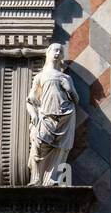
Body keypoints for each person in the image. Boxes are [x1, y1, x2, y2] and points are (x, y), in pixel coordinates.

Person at [26, 43, 77, 185]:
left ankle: (52, 180)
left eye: (60, 51)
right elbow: (30, 100)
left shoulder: (66, 78)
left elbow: (76, 99)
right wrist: (34, 115)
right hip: (45, 116)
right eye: (55, 50)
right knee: (38, 146)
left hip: (65, 115)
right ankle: (36, 179)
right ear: (48, 53)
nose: (57, 53)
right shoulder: (40, 76)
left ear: (62, 56)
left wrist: (69, 89)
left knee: (60, 149)